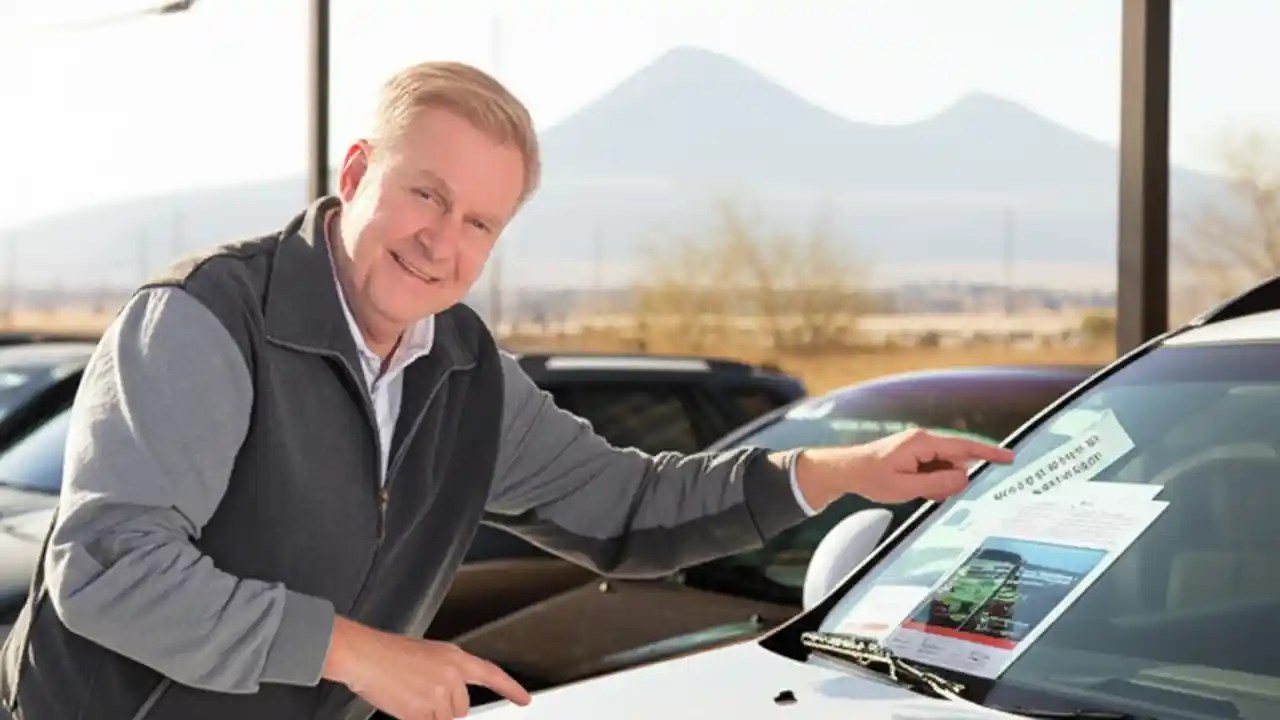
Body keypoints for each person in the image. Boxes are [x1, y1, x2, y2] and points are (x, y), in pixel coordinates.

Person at [0, 61, 1013, 720]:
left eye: (480, 222)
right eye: (424, 194)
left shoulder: (466, 372)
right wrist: (358, 654)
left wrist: (836, 469)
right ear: (356, 171)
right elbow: (108, 572)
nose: (443, 242)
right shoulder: (207, 321)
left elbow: (626, 505)